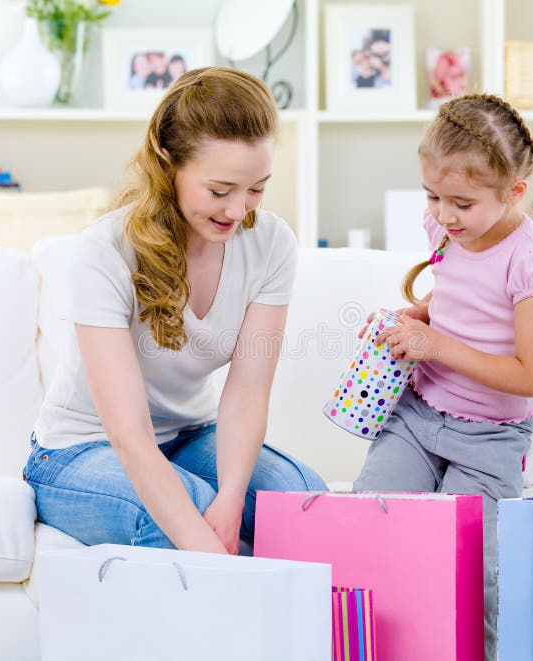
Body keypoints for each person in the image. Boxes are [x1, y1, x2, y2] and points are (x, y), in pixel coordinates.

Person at [22, 67, 327, 557]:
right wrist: (202, 544)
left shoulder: (271, 243)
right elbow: (128, 432)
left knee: (302, 500)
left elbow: (248, 390)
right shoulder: (105, 251)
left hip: (189, 437)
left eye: (256, 189)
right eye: (220, 190)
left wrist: (230, 501)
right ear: (168, 165)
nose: (238, 210)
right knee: (183, 511)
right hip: (81, 450)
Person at [352, 93, 533, 660]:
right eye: (433, 196)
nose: (444, 214)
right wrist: (421, 319)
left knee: (478, 574)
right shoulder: (447, 226)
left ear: (514, 193)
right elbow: (460, 297)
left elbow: (532, 375)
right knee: (373, 524)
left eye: (461, 203)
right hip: (419, 414)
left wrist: (439, 343)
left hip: (491, 438)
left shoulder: (530, 258)